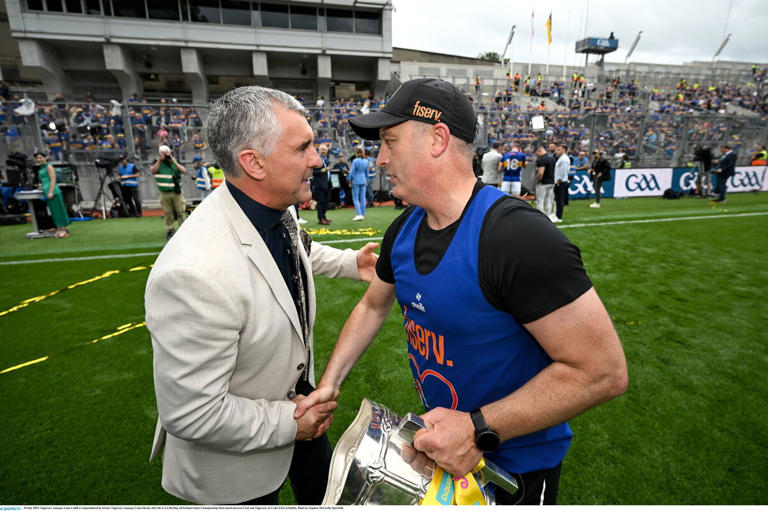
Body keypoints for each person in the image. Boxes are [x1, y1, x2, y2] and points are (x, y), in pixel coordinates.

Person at [297, 78, 628, 505]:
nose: (380, 159)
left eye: (390, 142)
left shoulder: (516, 236)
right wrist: (330, 383)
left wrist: (476, 427)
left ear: (437, 139)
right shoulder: (403, 229)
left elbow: (603, 371)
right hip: (443, 451)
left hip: (514, 470)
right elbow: (372, 305)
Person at [145, 86, 379, 506]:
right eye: (303, 147)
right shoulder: (193, 275)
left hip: (297, 407)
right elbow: (193, 414)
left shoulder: (272, 203)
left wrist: (348, 263)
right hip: (239, 458)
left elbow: (295, 247)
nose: (318, 159)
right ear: (253, 163)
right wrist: (292, 423)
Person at [150, 144, 186, 239]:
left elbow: (183, 170)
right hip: (164, 192)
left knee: (180, 211)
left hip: (176, 191)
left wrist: (173, 161)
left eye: (167, 154)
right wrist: (159, 161)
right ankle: (170, 230)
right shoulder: (156, 161)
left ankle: (183, 229)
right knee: (168, 212)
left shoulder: (174, 161)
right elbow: (152, 171)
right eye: (164, 154)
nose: (166, 156)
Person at [34, 152, 70, 238]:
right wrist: (42, 188)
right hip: (47, 191)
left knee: (59, 210)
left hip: (53, 191)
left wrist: (51, 191)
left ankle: (63, 229)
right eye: (37, 158)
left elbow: (53, 179)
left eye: (40, 157)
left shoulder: (48, 166)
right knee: (54, 212)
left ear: (45, 157)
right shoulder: (41, 168)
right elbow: (44, 180)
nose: (39, 160)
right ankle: (58, 228)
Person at [311, 144, 332, 225]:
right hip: (319, 185)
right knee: (320, 202)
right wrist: (323, 170)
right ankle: (321, 219)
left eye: (325, 150)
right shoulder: (317, 159)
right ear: (319, 151)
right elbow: (314, 172)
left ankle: (324, 216)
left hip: (326, 184)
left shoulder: (326, 159)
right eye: (322, 150)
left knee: (326, 202)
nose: (324, 151)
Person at [534, 146, 556, 219]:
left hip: (543, 183)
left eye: (536, 153)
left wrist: (537, 181)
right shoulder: (552, 158)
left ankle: (540, 217)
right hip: (551, 182)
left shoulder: (542, 160)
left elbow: (540, 173)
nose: (536, 155)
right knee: (549, 200)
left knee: (540, 201)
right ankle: (548, 216)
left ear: (539, 151)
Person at [349, 147, 369, 221]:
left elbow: (352, 172)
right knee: (363, 198)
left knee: (355, 198)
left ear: (357, 153)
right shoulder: (366, 161)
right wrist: (366, 180)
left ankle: (359, 214)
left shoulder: (355, 161)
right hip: (363, 180)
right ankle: (363, 214)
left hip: (356, 181)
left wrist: (349, 179)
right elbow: (367, 173)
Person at [553, 144, 570, 223]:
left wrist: (559, 180)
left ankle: (559, 216)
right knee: (557, 198)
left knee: (559, 199)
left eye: (559, 149)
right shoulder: (561, 158)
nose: (557, 151)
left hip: (561, 181)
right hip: (559, 181)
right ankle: (556, 214)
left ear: (564, 149)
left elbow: (563, 171)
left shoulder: (564, 159)